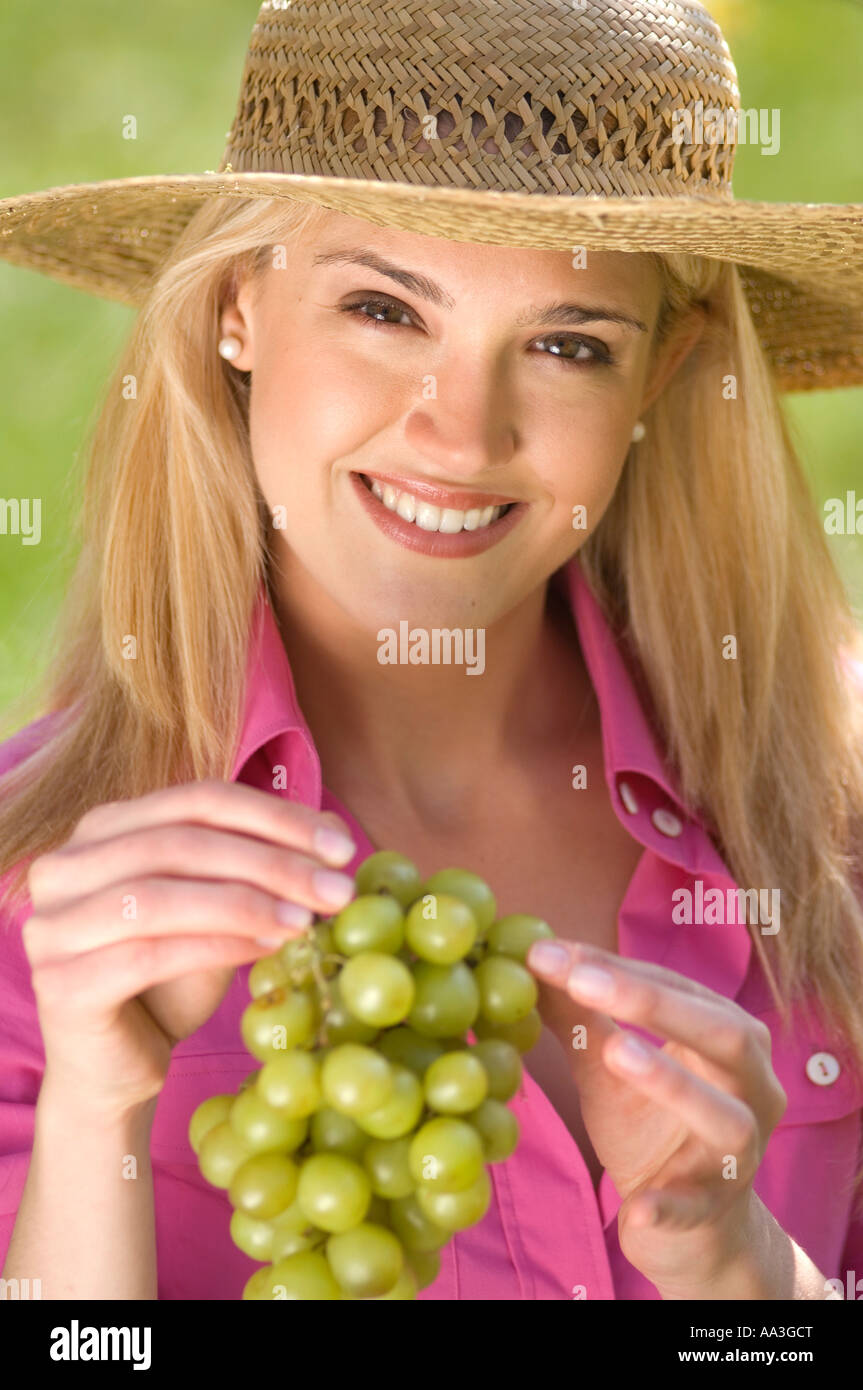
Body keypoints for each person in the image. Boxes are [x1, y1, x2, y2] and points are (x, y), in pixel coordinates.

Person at [1, 0, 863, 1301]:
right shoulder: (44, 890)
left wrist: (743, 1275)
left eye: (569, 344)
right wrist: (93, 1114)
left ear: (660, 376)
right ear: (240, 304)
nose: (461, 436)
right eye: (385, 311)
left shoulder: (833, 829)